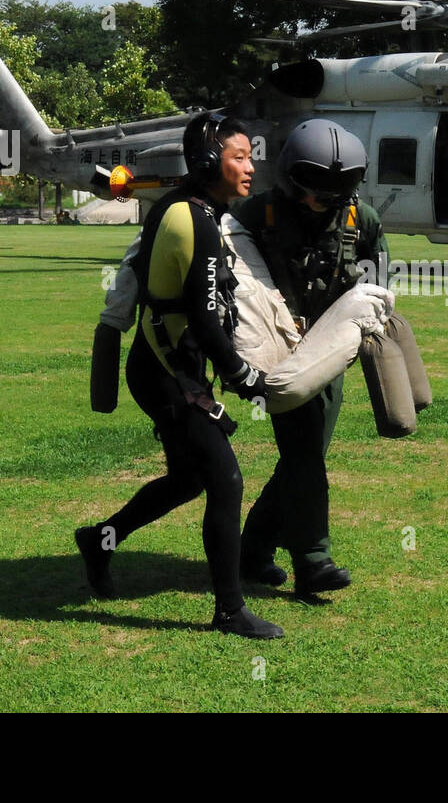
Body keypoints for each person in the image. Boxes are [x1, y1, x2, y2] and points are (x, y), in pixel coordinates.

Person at [75, 113, 283, 639]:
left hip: (165, 367)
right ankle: (230, 611)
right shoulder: (194, 221)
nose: (250, 167)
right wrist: (244, 377)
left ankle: (99, 539)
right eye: (239, 157)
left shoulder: (187, 210)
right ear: (210, 162)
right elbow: (209, 321)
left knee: (190, 479)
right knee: (226, 481)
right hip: (169, 375)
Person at [231, 119, 388, 596]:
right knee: (304, 456)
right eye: (317, 193)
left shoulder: (363, 219)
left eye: (335, 194)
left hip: (330, 353)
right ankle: (312, 559)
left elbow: (378, 280)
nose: (325, 202)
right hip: (277, 352)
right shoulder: (255, 216)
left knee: (305, 457)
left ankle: (252, 551)